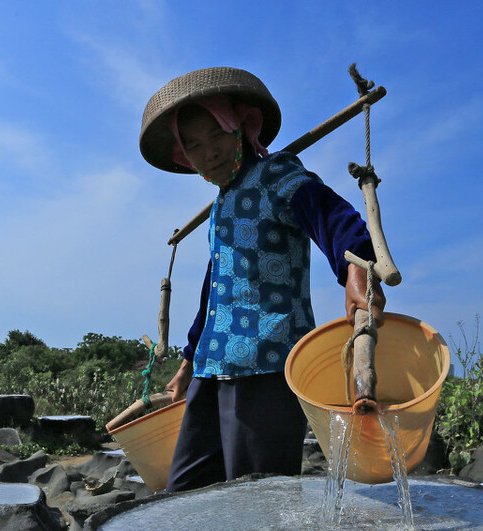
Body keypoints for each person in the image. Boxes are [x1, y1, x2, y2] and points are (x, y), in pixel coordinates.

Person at [138, 67, 384, 492]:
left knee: (256, 500)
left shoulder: (276, 175)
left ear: (240, 127)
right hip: (211, 369)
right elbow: (215, 289)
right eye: (194, 146)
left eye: (216, 134)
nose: (209, 152)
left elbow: (332, 217)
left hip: (266, 365)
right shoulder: (222, 203)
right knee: (185, 494)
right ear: (185, 157)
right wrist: (188, 362)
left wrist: (356, 270)